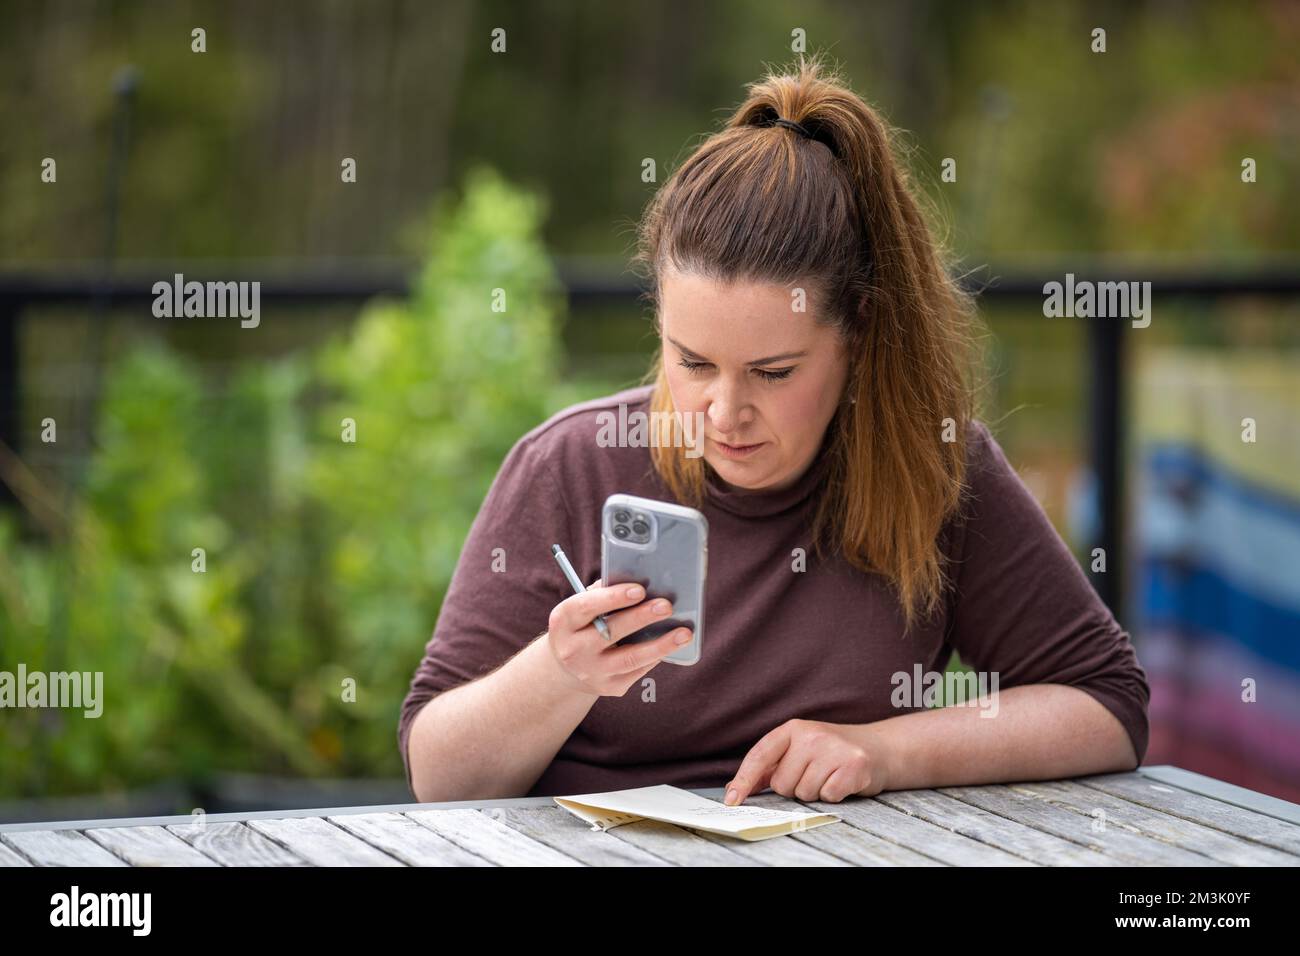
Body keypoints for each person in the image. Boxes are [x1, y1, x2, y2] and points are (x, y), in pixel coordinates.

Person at [398, 54, 1149, 805]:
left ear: (858, 331)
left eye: (773, 372)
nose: (724, 414)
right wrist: (559, 673)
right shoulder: (572, 466)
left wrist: (883, 753)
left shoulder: (933, 468)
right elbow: (438, 777)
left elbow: (1106, 706)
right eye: (691, 363)